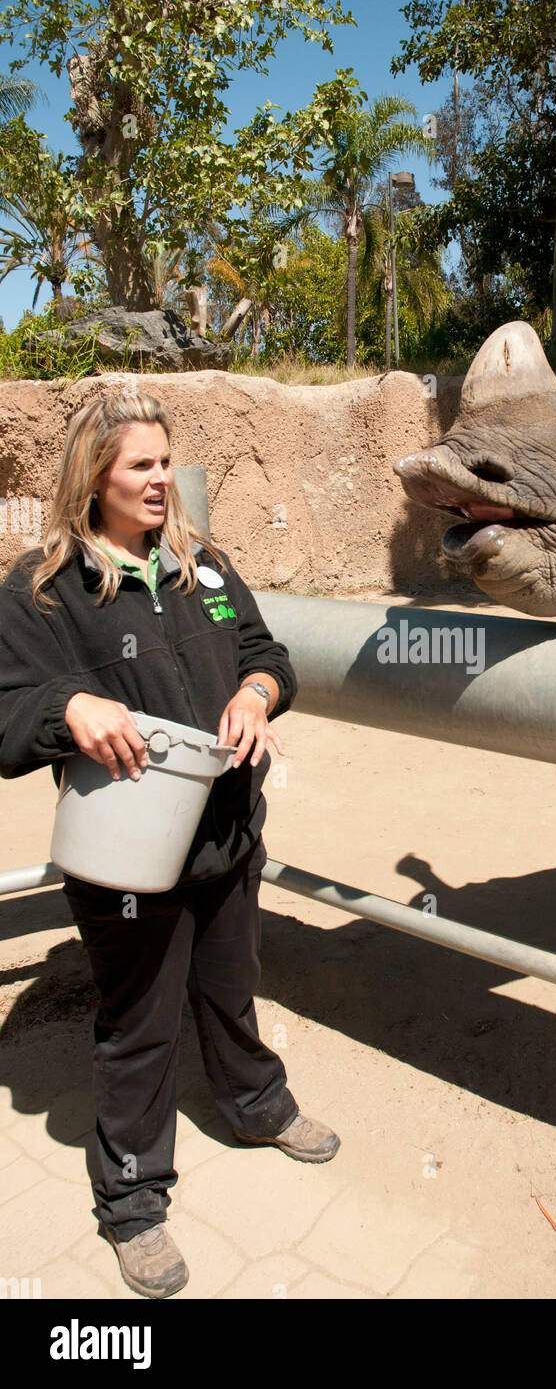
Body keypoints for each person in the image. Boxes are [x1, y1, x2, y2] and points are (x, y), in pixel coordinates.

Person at [0, 389, 340, 1300]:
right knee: (139, 1023)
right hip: (126, 851)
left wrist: (256, 694)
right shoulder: (41, 589)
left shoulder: (206, 568)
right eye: (140, 466)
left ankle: (255, 1105)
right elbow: (5, 716)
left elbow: (270, 654)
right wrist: (67, 706)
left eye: (163, 462)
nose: (160, 480)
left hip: (226, 830)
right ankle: (134, 1201)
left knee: (232, 985)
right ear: (93, 477)